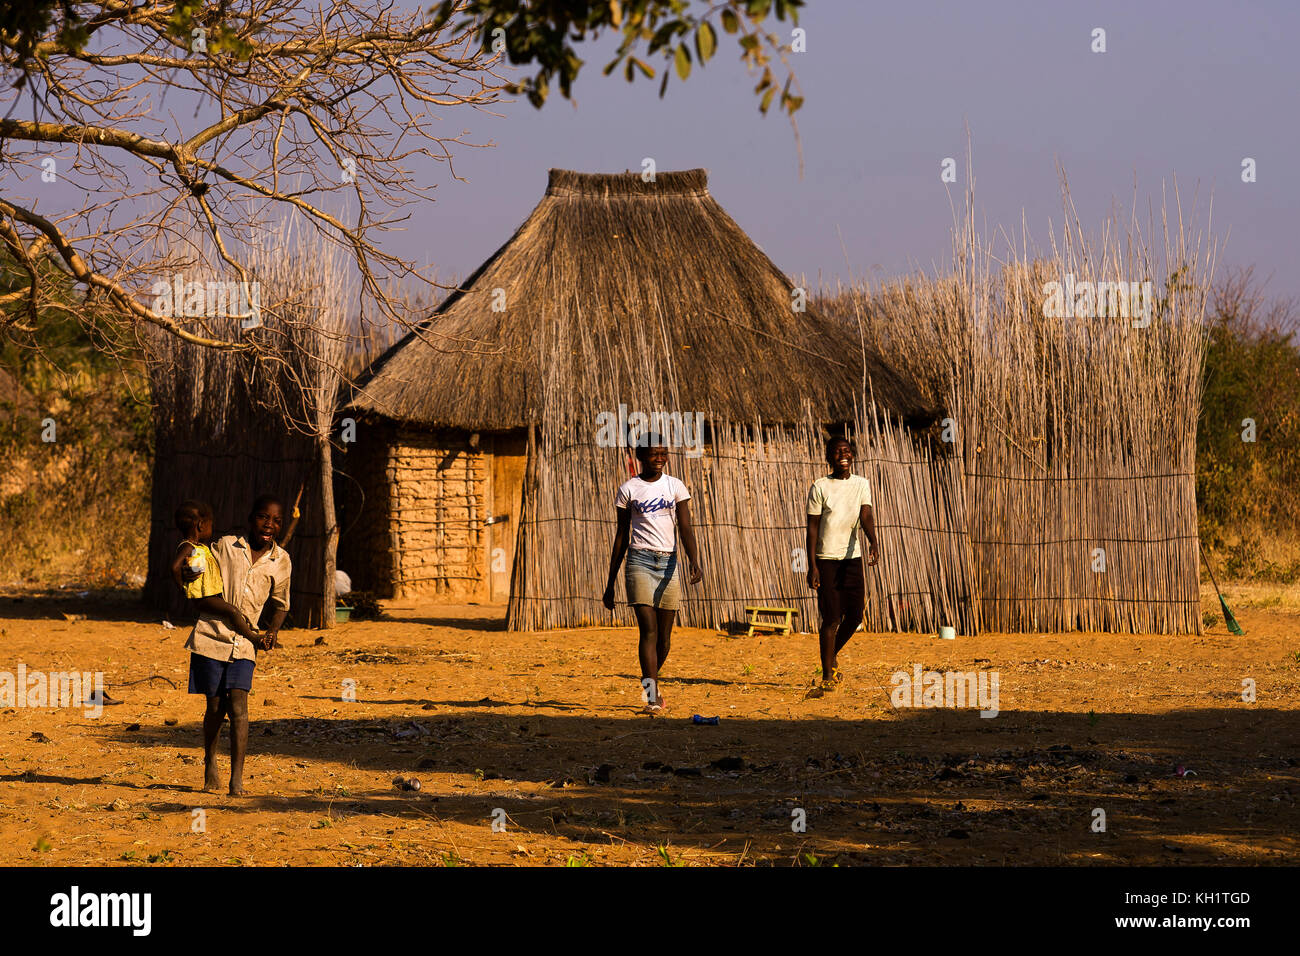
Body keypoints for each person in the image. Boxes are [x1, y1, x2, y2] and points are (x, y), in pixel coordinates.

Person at [182, 495, 292, 794]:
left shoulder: (281, 561)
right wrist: (189, 569)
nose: (269, 525)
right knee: (216, 706)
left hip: (246, 642)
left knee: (239, 706)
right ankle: (210, 762)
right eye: (263, 517)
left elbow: (281, 604)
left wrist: (273, 630)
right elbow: (197, 573)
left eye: (276, 520)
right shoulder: (225, 546)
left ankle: (237, 780)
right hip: (211, 637)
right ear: (250, 518)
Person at [602, 444, 702, 715]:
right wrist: (610, 582)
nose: (660, 459)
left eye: (664, 454)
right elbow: (621, 535)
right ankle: (652, 696)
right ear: (641, 457)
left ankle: (649, 677)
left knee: (664, 640)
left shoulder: (675, 486)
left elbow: (685, 526)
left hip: (668, 562)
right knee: (648, 630)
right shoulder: (629, 489)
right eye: (654, 454)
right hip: (639, 561)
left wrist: (694, 559)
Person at [805, 436, 878, 698]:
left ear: (853, 455)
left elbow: (866, 514)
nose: (843, 456)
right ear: (829, 458)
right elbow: (812, 528)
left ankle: (830, 654)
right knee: (832, 618)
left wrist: (873, 540)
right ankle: (826, 675)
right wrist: (812, 565)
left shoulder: (862, 484)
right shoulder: (820, 486)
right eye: (837, 452)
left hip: (852, 558)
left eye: (847, 451)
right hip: (826, 560)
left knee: (856, 616)